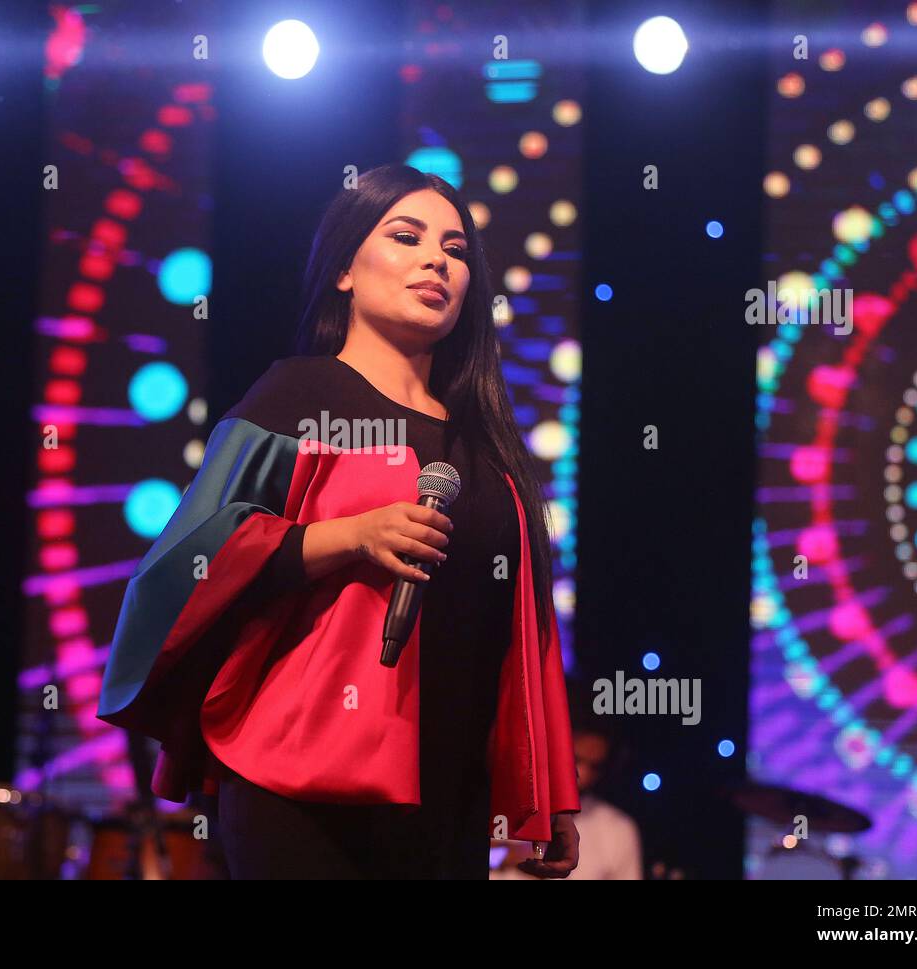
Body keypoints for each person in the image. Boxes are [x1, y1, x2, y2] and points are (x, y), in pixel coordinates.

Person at [98, 164, 580, 879]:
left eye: (454, 249)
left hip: (448, 797)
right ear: (345, 270)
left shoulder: (489, 447)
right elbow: (182, 565)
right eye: (407, 236)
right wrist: (350, 535)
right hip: (302, 780)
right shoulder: (297, 395)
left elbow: (519, 635)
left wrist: (549, 796)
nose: (435, 261)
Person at [493, 678, 642, 879]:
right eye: (575, 760)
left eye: (595, 766)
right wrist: (505, 855)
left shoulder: (617, 829)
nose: (584, 775)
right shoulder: (496, 804)